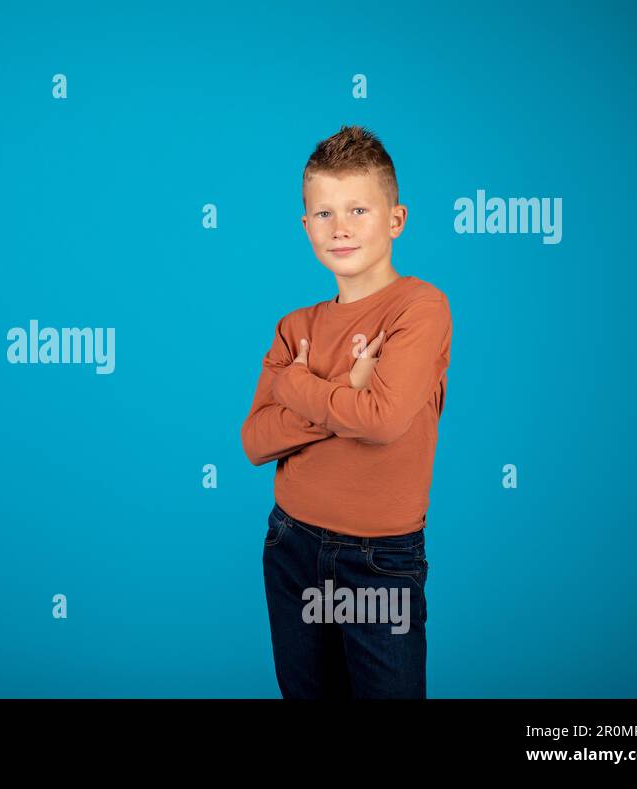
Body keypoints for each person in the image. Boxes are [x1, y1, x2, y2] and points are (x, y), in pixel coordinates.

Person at [240, 124, 452, 698]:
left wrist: (300, 385)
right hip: (292, 546)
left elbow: (381, 420)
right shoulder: (296, 326)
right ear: (305, 226)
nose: (340, 228)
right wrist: (340, 392)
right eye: (324, 213)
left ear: (395, 219)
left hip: (378, 559)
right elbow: (256, 441)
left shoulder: (420, 308)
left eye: (358, 208)